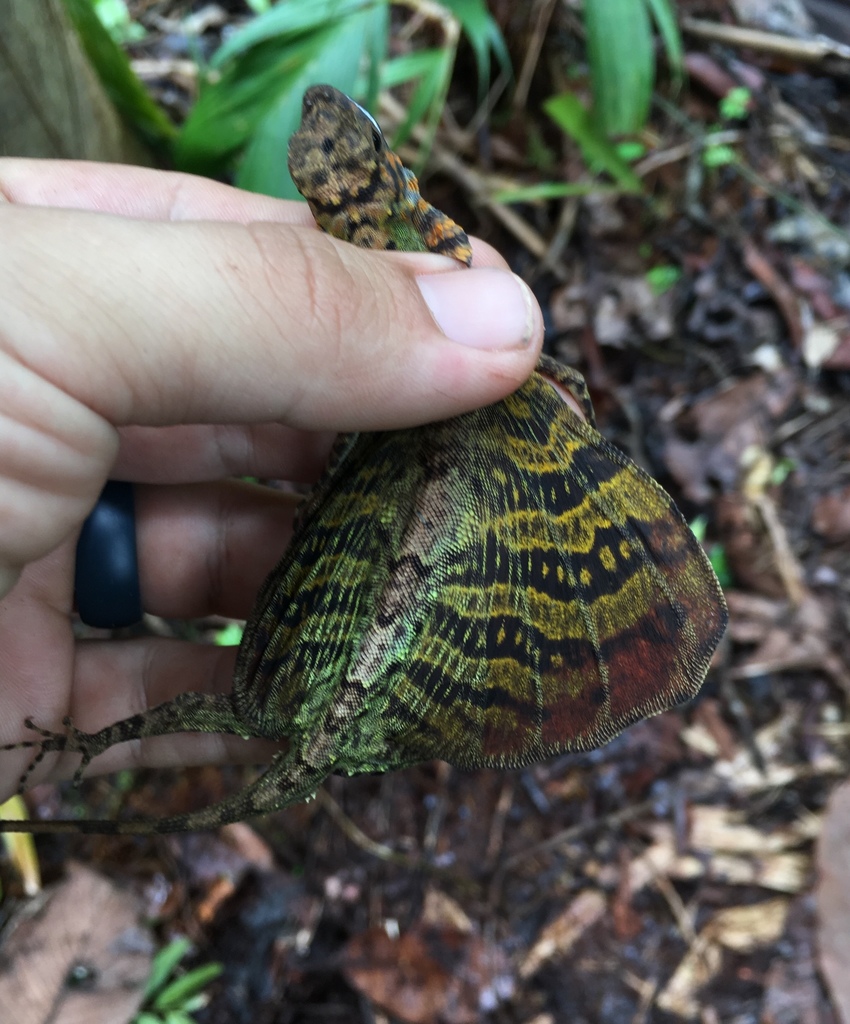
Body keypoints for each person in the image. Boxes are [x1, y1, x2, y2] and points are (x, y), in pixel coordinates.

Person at [0, 160, 544, 802]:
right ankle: (89, 743)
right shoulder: (439, 265)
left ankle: (88, 744)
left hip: (352, 630)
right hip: (346, 635)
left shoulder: (434, 263)